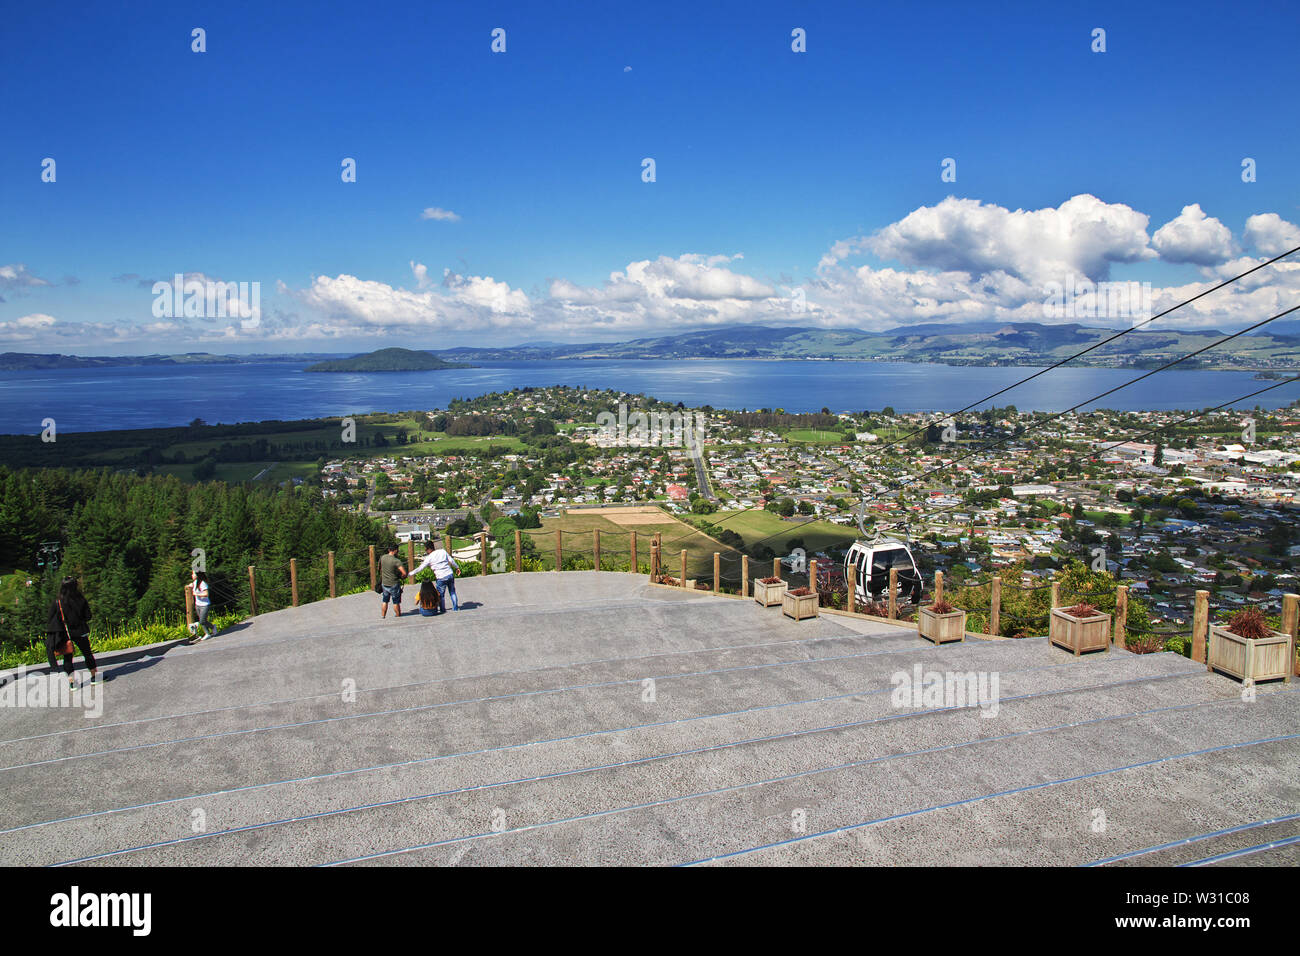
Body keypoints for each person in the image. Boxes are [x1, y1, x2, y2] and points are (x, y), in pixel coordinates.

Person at [46, 577, 99, 687]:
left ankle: (72, 683)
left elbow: (51, 618)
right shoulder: (80, 599)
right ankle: (94, 677)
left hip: (65, 633)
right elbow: (88, 616)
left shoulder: (58, 602)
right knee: (87, 653)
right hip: (80, 631)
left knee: (68, 657)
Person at [411, 540, 460, 612]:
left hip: (441, 577)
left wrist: (410, 573)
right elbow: (451, 560)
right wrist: (457, 567)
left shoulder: (429, 557)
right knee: (452, 591)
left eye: (426, 549)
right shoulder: (442, 551)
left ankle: (442, 609)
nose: (426, 551)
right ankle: (455, 608)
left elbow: (421, 568)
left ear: (428, 549)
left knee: (441, 595)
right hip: (449, 573)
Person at [185, 570, 216, 641]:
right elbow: (191, 586)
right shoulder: (195, 583)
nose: (192, 576)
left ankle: (210, 630)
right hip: (198, 604)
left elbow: (206, 594)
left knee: (202, 621)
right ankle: (210, 630)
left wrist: (196, 594)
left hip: (205, 605)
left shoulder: (202, 583)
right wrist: (190, 586)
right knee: (202, 620)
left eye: (193, 574)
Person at [379, 544, 407, 618]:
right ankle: (398, 616)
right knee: (396, 602)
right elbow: (404, 573)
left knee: (385, 601)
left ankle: (383, 616)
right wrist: (402, 577)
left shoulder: (383, 557)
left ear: (389, 550)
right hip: (394, 583)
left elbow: (380, 568)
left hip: (384, 583)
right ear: (396, 550)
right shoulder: (396, 561)